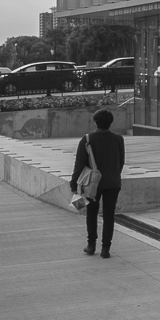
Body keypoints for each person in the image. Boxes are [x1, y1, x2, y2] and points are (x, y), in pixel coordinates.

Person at [69, 108, 125, 258]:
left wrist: (74, 184)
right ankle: (106, 249)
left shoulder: (87, 139)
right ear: (111, 122)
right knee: (109, 215)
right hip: (113, 183)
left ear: (95, 122)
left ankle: (91, 245)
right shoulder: (118, 139)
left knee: (91, 213)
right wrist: (113, 175)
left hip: (92, 185)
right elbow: (121, 162)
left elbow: (79, 164)